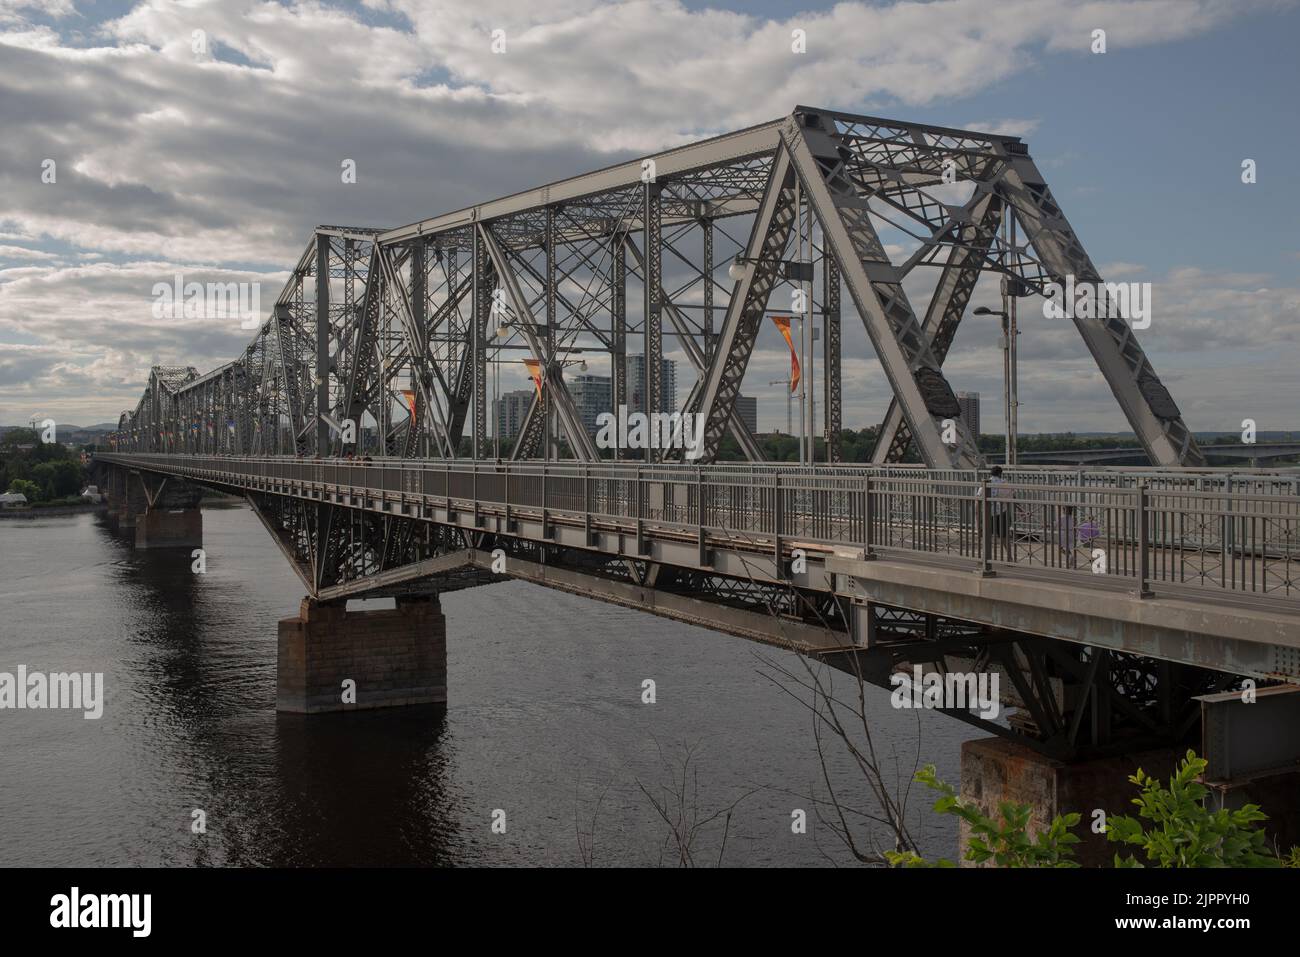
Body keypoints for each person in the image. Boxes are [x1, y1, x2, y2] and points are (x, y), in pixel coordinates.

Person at [988, 465, 1011, 555]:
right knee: (1004, 536)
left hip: (988, 513)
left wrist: (977, 515)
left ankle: (985, 558)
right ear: (1000, 474)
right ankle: (1009, 557)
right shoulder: (1004, 483)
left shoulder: (986, 483)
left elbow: (978, 498)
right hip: (1002, 512)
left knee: (987, 535)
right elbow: (1012, 496)